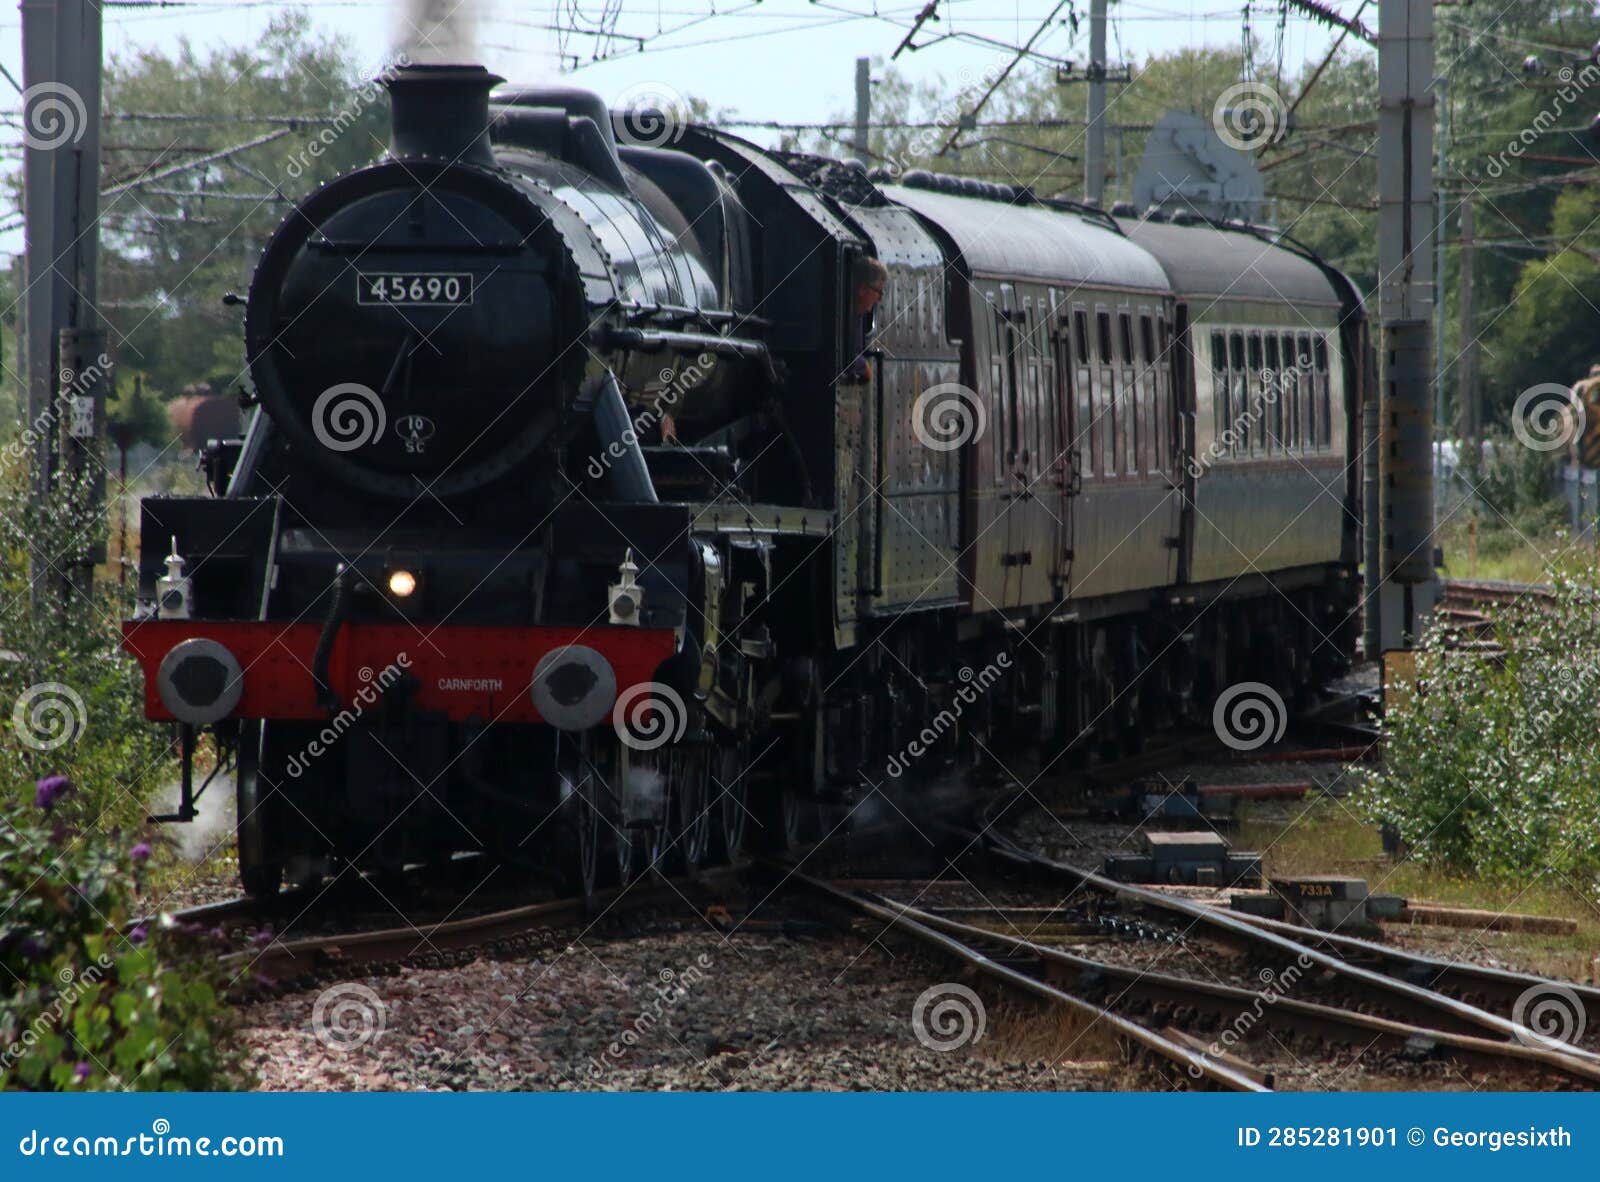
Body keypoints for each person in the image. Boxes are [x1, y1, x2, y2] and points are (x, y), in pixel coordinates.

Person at [844, 256, 888, 384]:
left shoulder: (859, 316)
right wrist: (863, 367)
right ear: (863, 289)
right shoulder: (848, 315)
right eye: (879, 292)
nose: (879, 299)